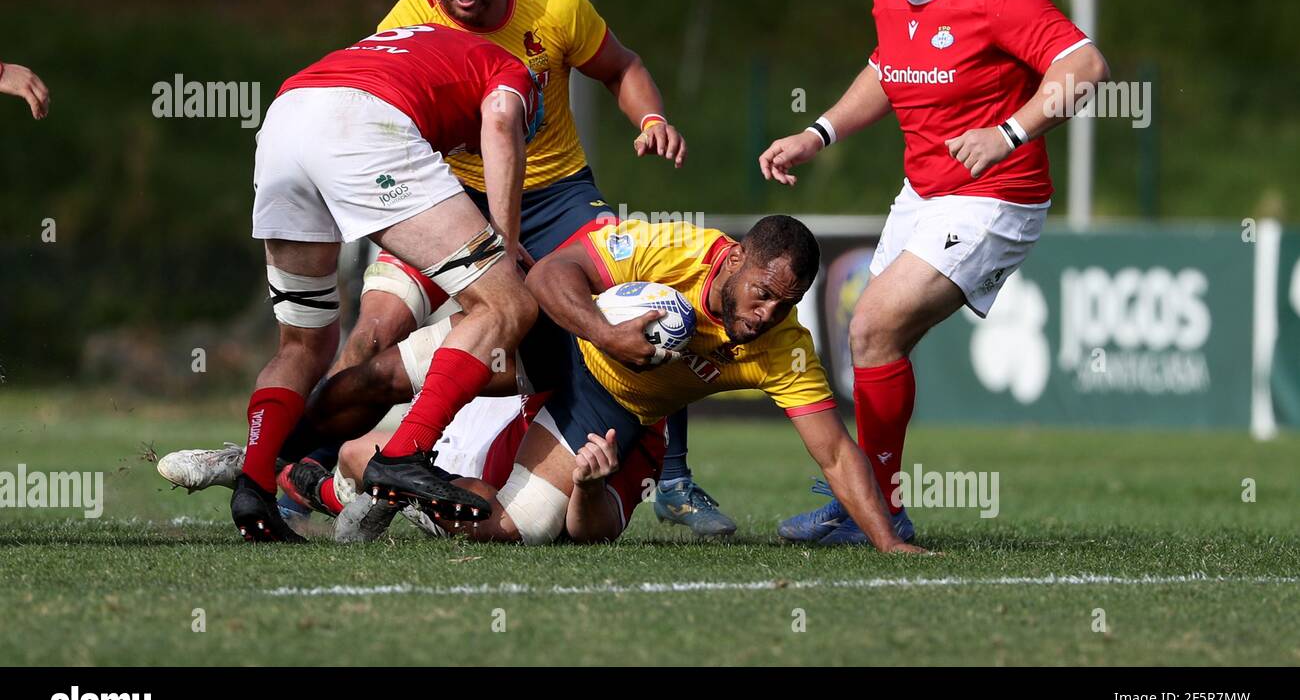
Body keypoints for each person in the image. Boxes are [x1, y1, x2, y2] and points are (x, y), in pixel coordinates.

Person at [318, 0, 732, 535]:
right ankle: (312, 467)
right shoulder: (410, 16)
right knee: (373, 334)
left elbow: (622, 67)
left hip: (556, 194)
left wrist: (650, 118)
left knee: (640, 297)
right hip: (452, 199)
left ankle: (672, 476)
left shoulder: (556, 5)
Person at [759, 0, 1109, 544]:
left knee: (872, 327)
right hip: (924, 192)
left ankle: (876, 511)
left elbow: (1085, 67)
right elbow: (887, 67)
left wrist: (1010, 132)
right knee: (874, 344)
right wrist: (818, 131)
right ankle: (868, 501)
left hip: (994, 196)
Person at [337, 214, 925, 553]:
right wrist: (606, 332)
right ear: (737, 258)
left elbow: (834, 452)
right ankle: (283, 461)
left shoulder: (782, 347)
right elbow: (552, 273)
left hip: (607, 405)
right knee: (383, 374)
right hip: (558, 341)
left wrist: (887, 542)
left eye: (786, 303)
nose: (768, 313)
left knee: (520, 529)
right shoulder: (676, 247)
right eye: (763, 293)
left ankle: (384, 476)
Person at [232, 21, 543, 542]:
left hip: (284, 118)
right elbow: (501, 118)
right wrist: (505, 247)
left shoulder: (422, 45)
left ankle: (255, 483)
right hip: (358, 122)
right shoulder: (514, 73)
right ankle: (406, 454)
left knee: (307, 342)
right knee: (507, 304)